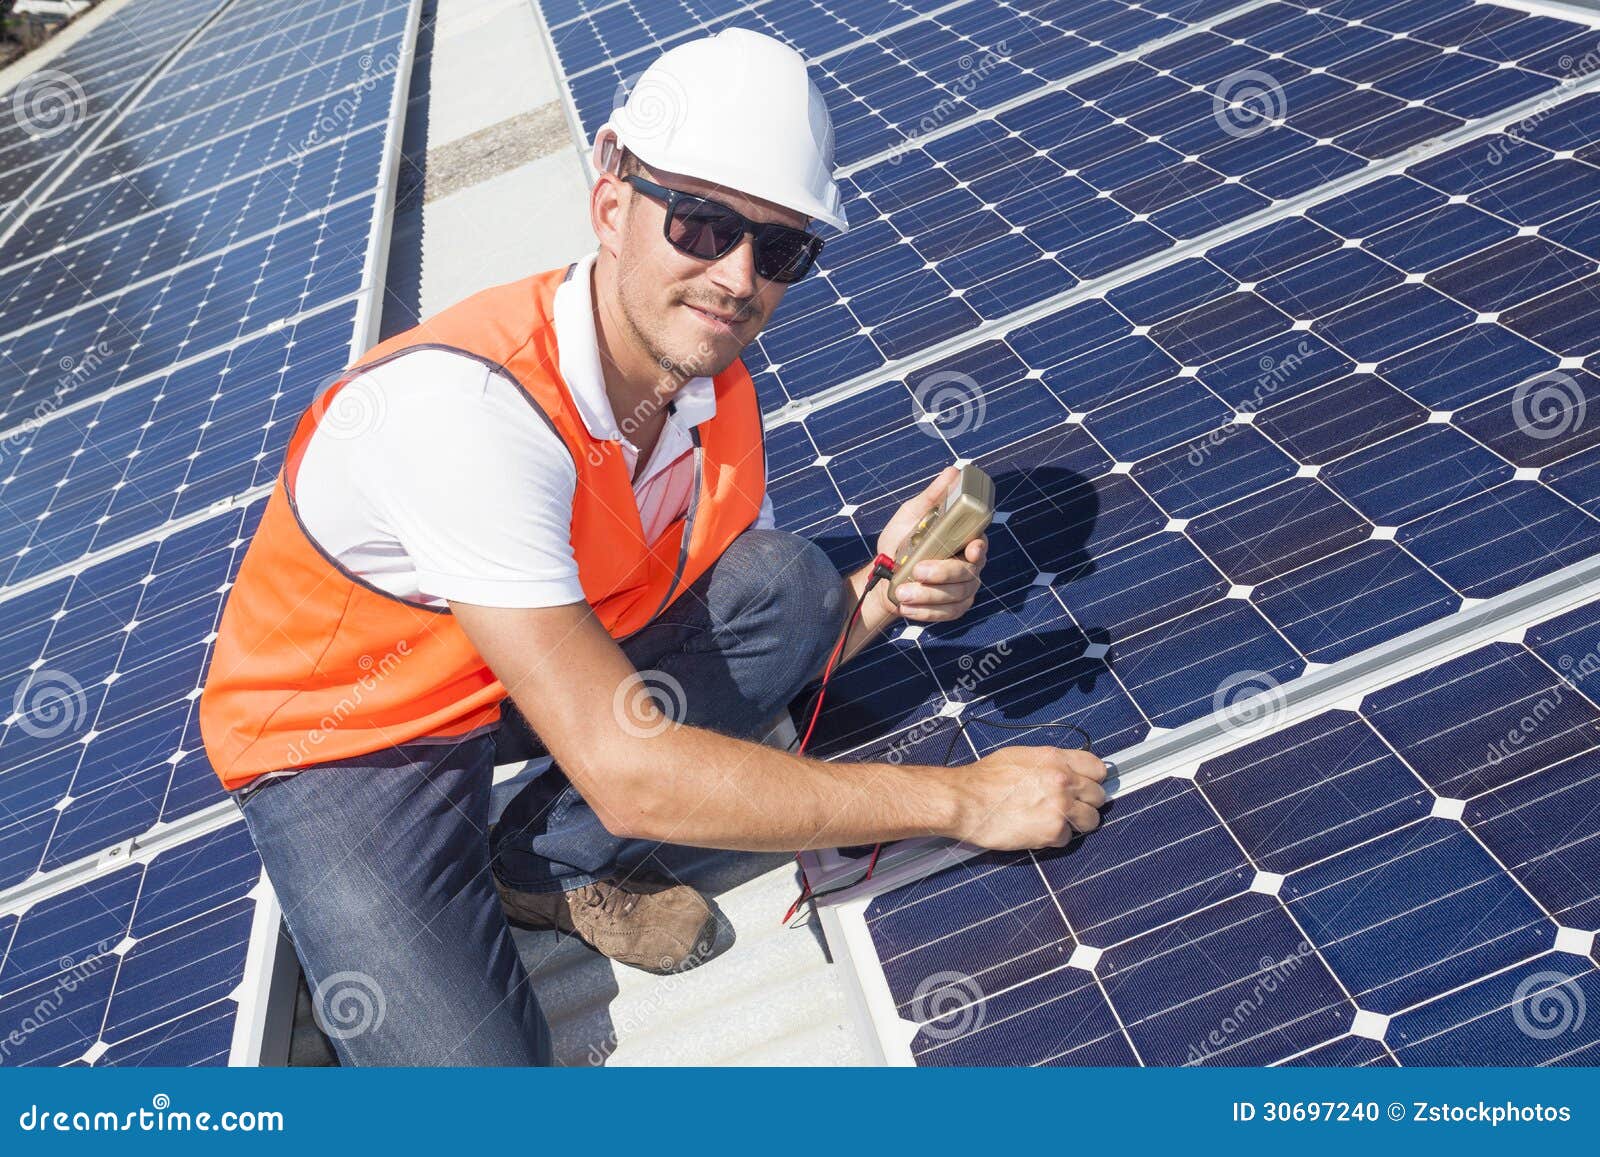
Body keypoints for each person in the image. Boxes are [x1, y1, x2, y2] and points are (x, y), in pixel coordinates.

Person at [198, 28, 1107, 1066]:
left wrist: (886, 594)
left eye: (780, 250)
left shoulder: (708, 392)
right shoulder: (467, 413)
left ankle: (537, 865)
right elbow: (634, 767)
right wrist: (962, 799)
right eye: (703, 222)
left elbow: (730, 640)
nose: (735, 278)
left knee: (790, 585)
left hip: (514, 666)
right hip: (351, 738)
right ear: (609, 197)